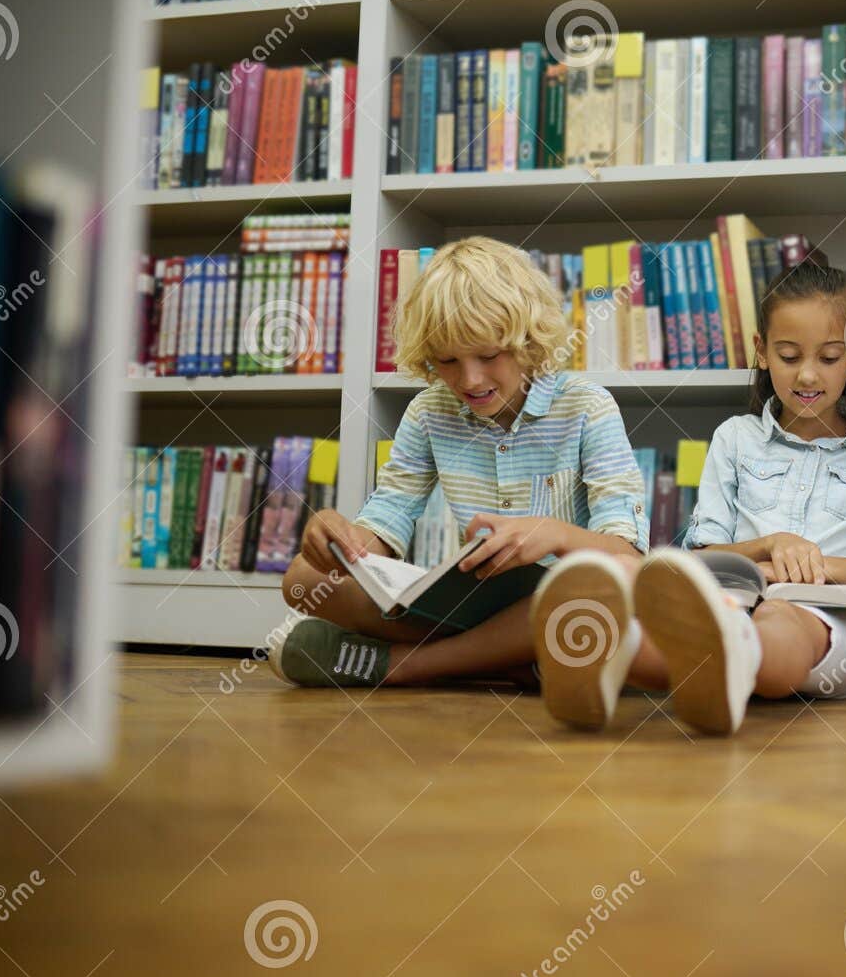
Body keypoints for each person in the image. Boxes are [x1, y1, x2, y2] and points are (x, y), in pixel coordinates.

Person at [529, 258, 846, 735]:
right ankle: (612, 648)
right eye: (790, 356)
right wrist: (767, 548)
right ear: (761, 351)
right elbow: (706, 554)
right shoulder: (734, 438)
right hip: (733, 601)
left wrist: (812, 567)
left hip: (835, 622)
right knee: (674, 595)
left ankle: (694, 650)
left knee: (777, 614)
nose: (808, 377)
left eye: (829, 358)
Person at [268, 236, 648, 688]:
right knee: (303, 579)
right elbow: (387, 520)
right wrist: (340, 540)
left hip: (560, 599)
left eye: (489, 355)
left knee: (612, 586)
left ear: (528, 342)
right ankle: (515, 666)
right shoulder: (429, 412)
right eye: (447, 360)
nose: (469, 379)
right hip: (471, 607)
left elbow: (628, 555)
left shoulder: (588, 407)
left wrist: (551, 535)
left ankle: (400, 666)